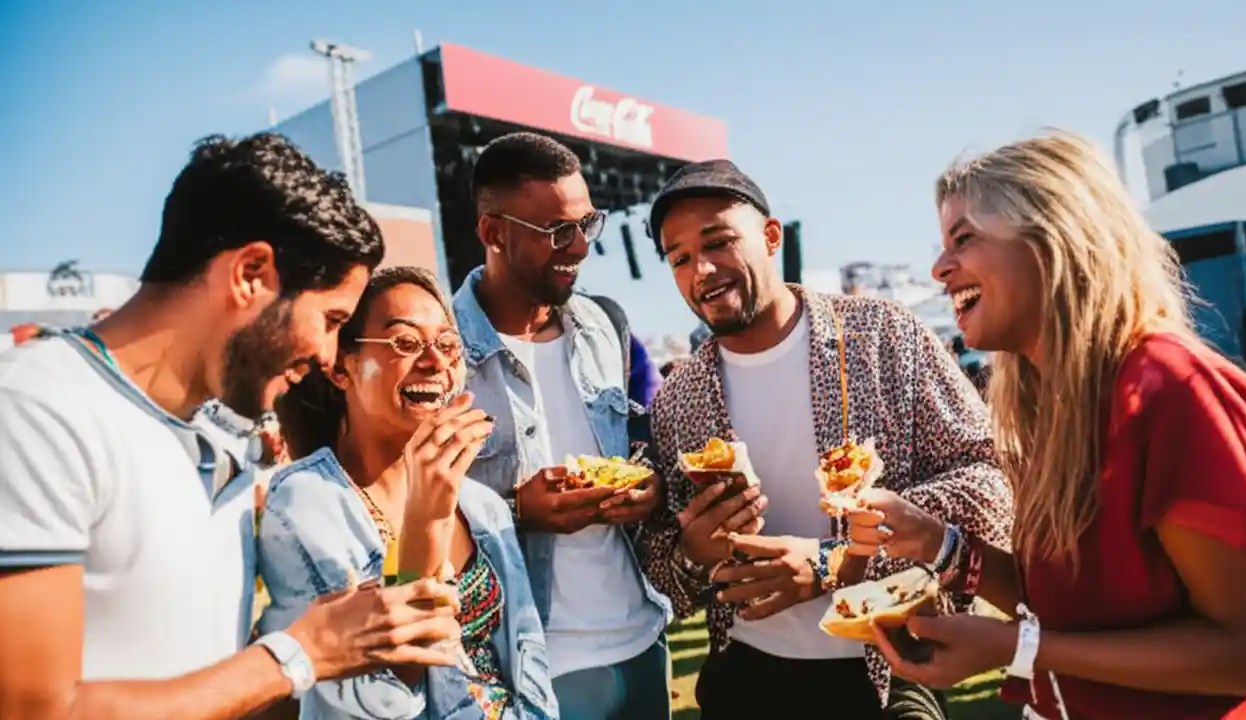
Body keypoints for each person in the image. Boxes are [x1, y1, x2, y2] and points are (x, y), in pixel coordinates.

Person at [0, 134, 461, 720]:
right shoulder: (36, 407)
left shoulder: (223, 439)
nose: (327, 355)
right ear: (250, 273)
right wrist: (300, 654)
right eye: (330, 320)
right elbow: (33, 710)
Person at [861, 132, 1246, 719]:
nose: (938, 267)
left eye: (964, 238)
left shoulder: (1176, 391)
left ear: (1051, 241)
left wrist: (1019, 649)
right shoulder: (1058, 408)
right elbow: (1069, 609)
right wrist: (940, 544)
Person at [638, 159, 1014, 718]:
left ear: (771, 237)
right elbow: (661, 574)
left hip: (885, 665)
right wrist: (694, 552)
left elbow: (988, 481)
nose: (703, 270)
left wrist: (837, 560)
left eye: (718, 243)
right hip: (744, 678)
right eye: (680, 258)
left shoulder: (884, 336)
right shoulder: (679, 399)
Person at [263, 265, 556, 720]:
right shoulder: (307, 502)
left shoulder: (481, 505)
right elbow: (375, 700)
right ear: (341, 366)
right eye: (405, 342)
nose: (435, 362)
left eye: (448, 344)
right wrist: (424, 523)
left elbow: (528, 659)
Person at [453, 132, 673, 720]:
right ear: (492, 232)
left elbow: (648, 447)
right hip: (530, 662)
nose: (579, 246)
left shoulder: (607, 326)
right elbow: (406, 510)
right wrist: (515, 510)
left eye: (586, 224)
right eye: (556, 230)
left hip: (642, 640)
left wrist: (649, 487)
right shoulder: (439, 353)